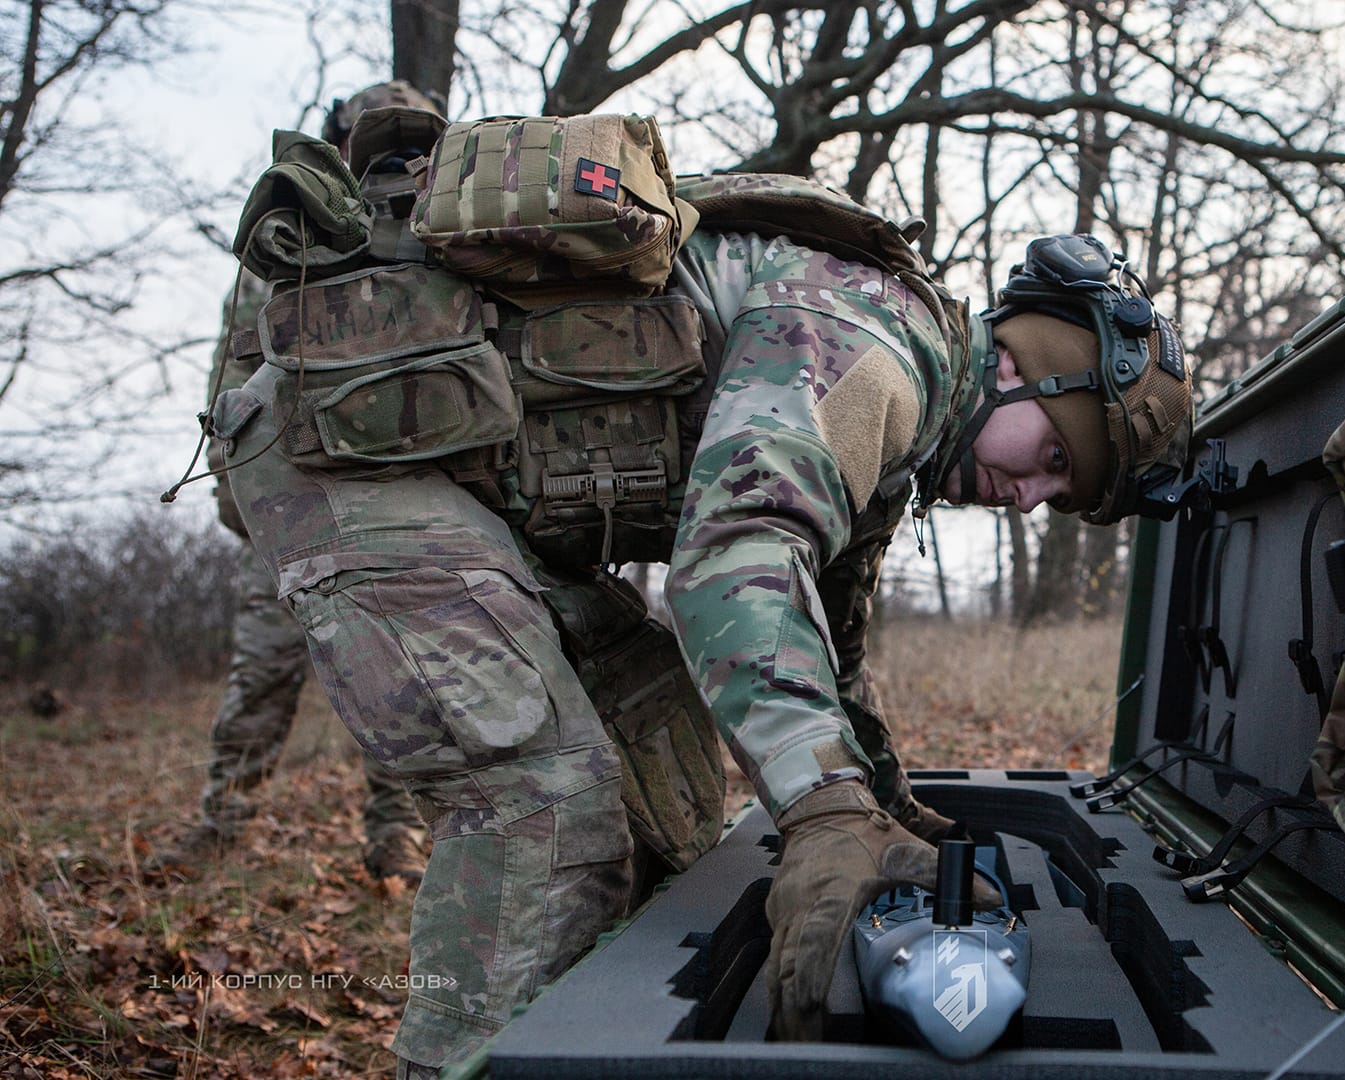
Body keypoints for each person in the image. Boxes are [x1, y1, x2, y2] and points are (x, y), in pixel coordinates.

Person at [208, 118, 1194, 1072]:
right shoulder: (878, 350)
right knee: (542, 803)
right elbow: (734, 557)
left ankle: (590, 1039)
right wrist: (824, 813)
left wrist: (883, 805)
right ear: (1022, 368)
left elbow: (823, 644)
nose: (1031, 499)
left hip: (458, 490)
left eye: (1060, 499)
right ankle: (461, 1063)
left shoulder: (902, 434)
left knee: (666, 767)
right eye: (1054, 460)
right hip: (340, 454)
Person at [147, 81, 446, 882]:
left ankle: (397, 836)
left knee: (400, 679)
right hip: (287, 498)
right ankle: (221, 827)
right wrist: (230, 483)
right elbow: (235, 365)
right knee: (262, 673)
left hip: (397, 496)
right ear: (338, 142)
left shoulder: (439, 232)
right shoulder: (285, 236)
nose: (390, 158)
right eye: (367, 137)